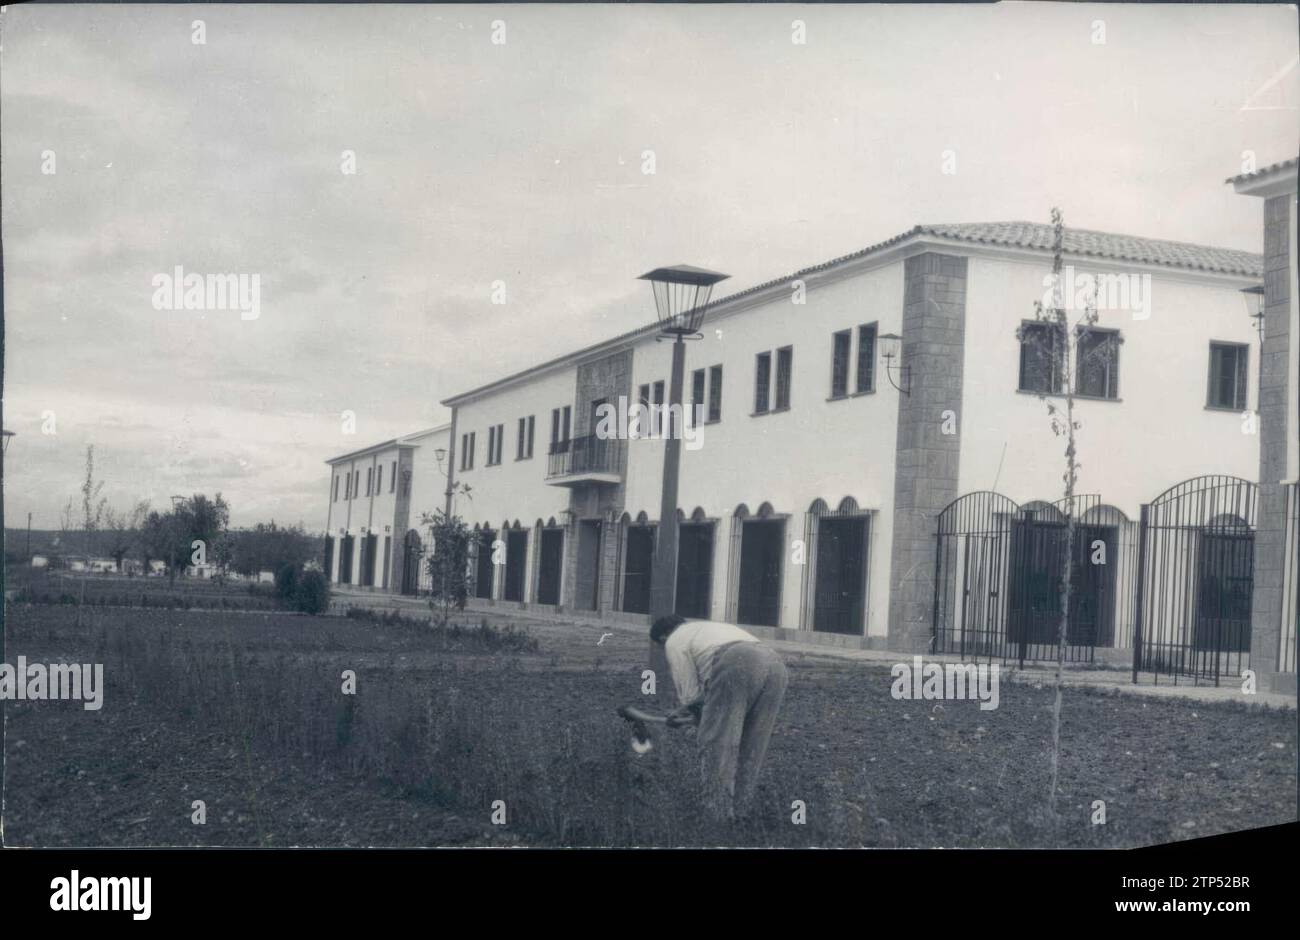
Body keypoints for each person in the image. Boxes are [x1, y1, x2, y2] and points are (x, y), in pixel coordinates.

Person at [650, 614, 789, 820]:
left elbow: (690, 696)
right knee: (751, 745)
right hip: (776, 665)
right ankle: (741, 813)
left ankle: (717, 817)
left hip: (737, 661)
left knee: (718, 743)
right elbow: (708, 693)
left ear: (662, 638)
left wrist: (686, 717)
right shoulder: (703, 630)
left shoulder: (674, 640)